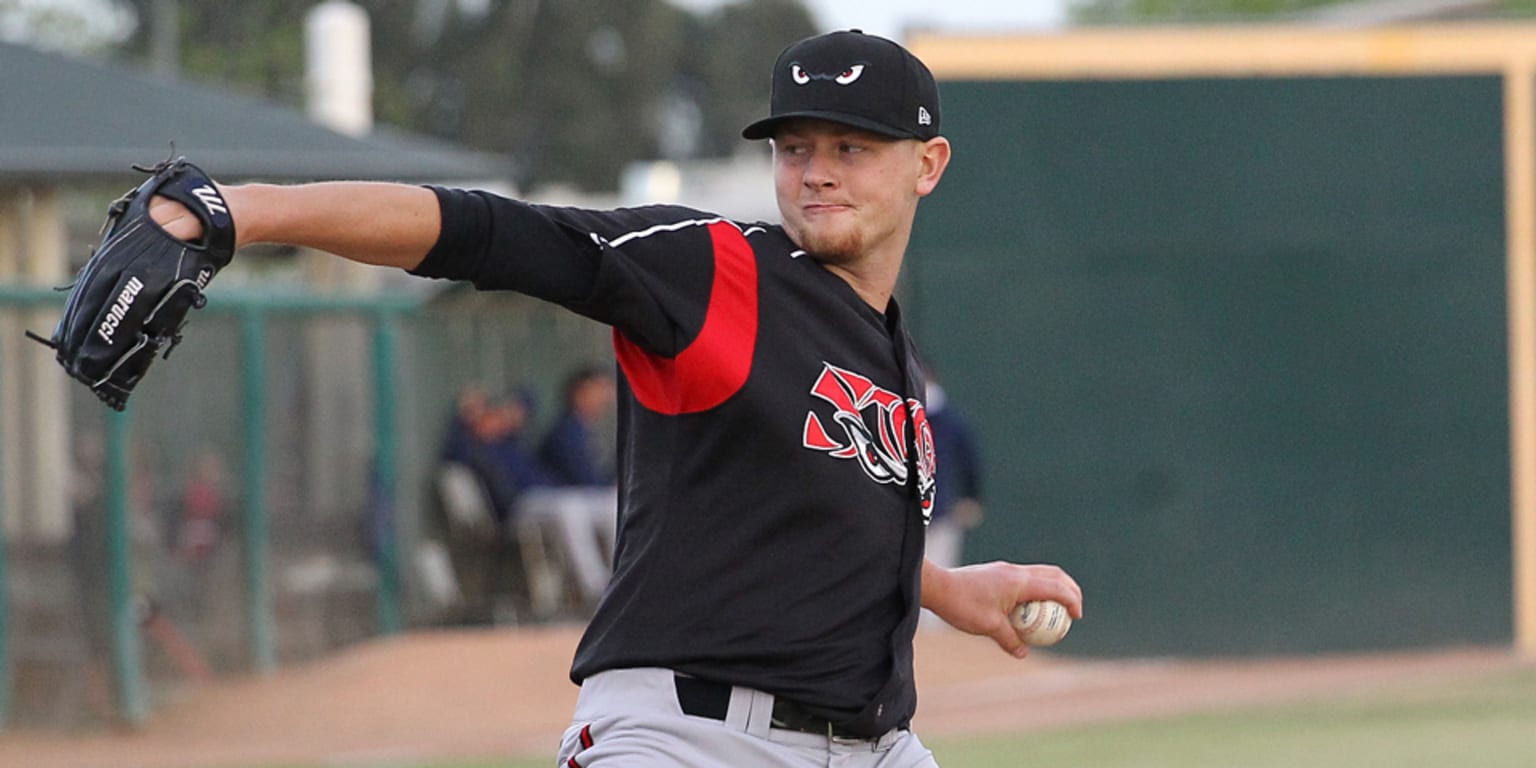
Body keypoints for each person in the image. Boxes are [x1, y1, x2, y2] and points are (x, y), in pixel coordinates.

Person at [150, 29, 1083, 768]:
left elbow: (824, 512)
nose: (817, 169)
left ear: (929, 164)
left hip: (874, 745)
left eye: (853, 146)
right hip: (694, 738)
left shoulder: (888, 353)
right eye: (795, 146)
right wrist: (246, 210)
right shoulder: (718, 268)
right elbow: (489, 232)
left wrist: (947, 588)